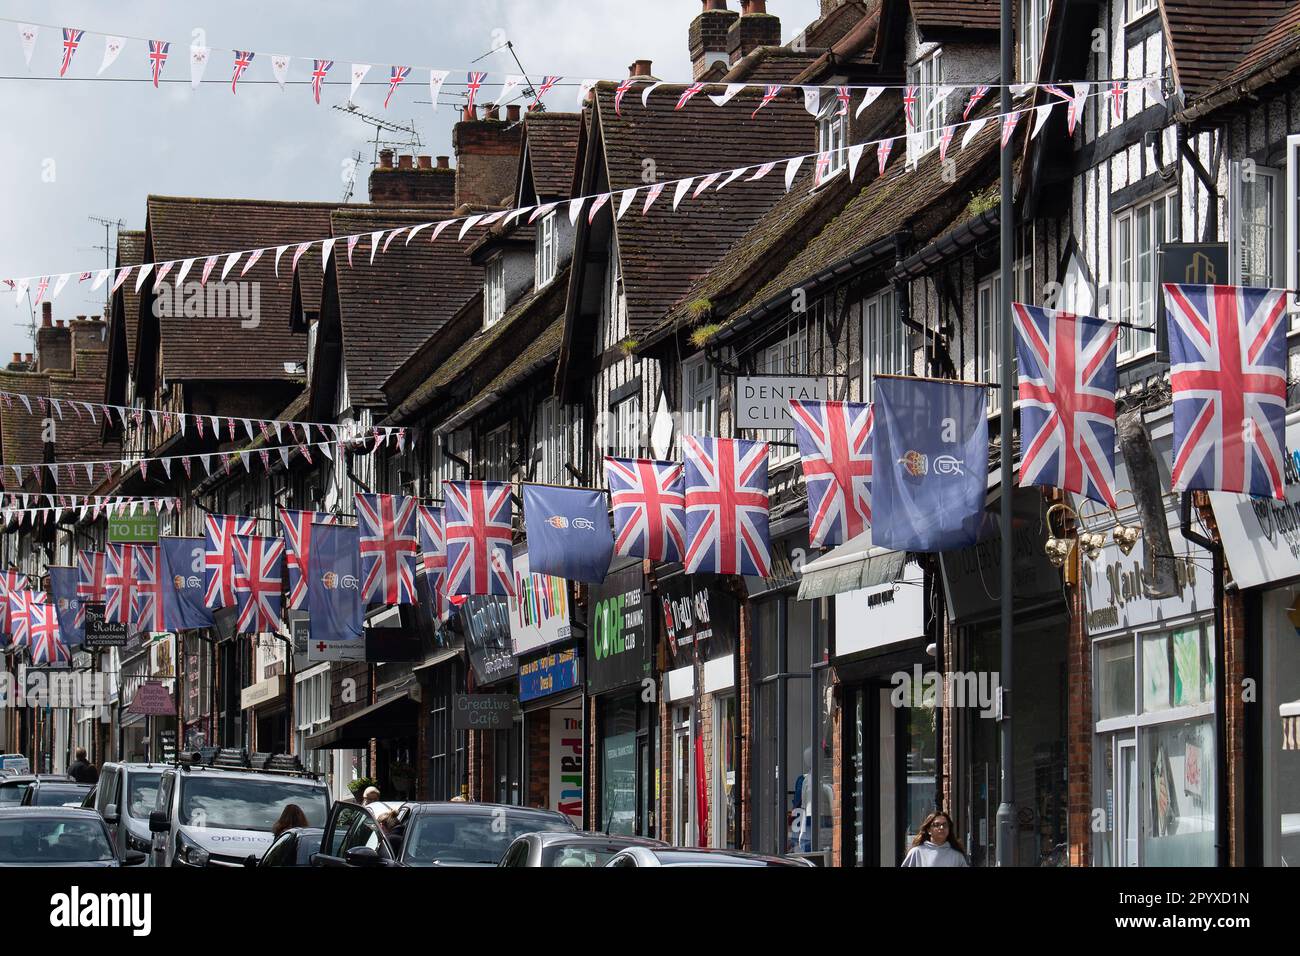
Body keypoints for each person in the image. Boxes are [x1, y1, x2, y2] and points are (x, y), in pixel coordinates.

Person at [900, 810, 969, 867]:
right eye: (937, 825)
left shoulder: (957, 856)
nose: (941, 828)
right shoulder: (917, 852)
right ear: (929, 830)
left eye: (945, 825)